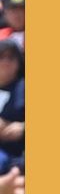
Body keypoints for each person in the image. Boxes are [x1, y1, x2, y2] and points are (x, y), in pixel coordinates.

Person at [0, 40, 23, 175]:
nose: (5, 62)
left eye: (11, 57)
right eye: (1, 57)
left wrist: (23, 128)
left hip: (13, 152)